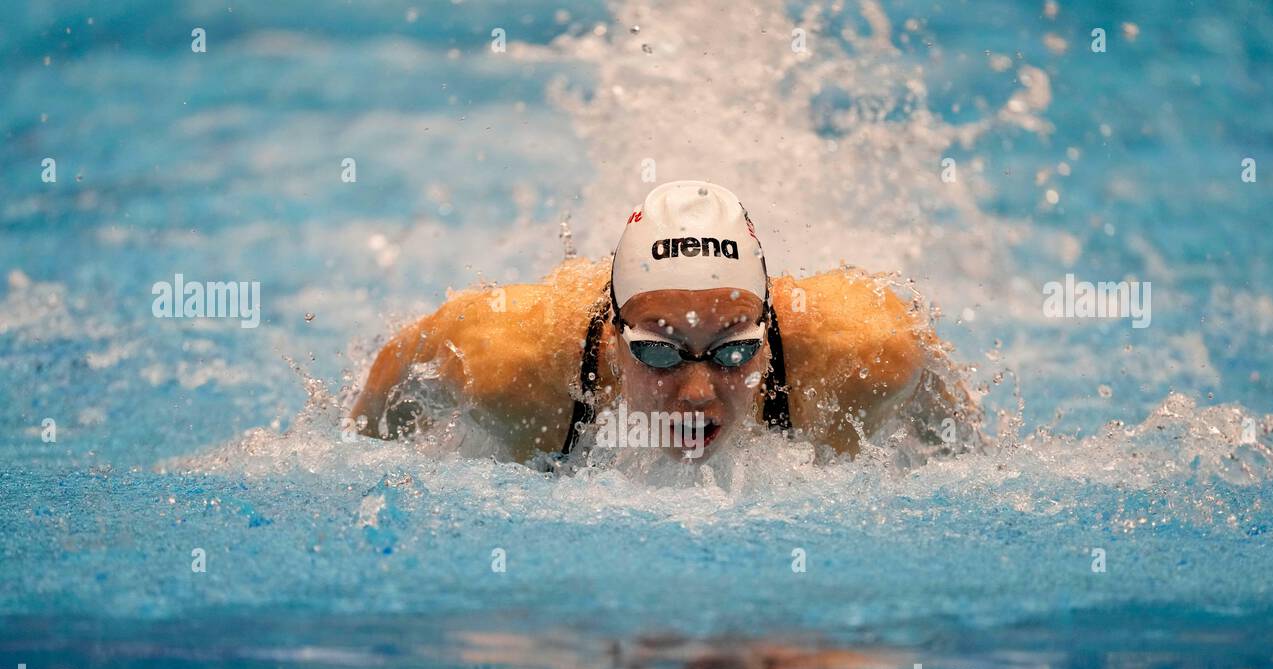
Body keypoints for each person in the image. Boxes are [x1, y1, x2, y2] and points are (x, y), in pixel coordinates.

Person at [351, 180, 970, 463]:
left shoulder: (860, 354)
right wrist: (366, 453)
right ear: (615, 335)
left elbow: (958, 439)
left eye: (734, 352)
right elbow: (399, 366)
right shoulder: (510, 366)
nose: (698, 394)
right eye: (660, 353)